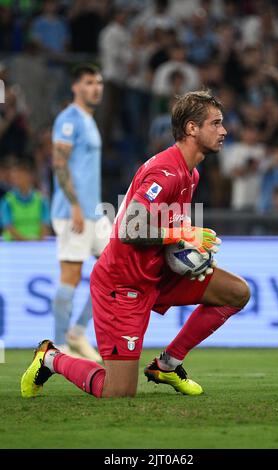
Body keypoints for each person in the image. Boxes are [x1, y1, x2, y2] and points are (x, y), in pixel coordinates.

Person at [21, 90, 250, 399]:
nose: (223, 131)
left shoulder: (190, 174)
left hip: (157, 273)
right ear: (192, 128)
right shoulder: (165, 172)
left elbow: (165, 224)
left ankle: (168, 364)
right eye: (216, 123)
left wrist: (191, 247)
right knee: (117, 392)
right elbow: (130, 227)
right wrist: (181, 236)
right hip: (123, 284)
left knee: (236, 292)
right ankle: (50, 357)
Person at [50, 64, 111, 362]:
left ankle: (78, 331)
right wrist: (74, 205)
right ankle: (59, 346)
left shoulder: (89, 119)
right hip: (72, 212)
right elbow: (59, 164)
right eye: (89, 82)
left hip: (95, 213)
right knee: (70, 277)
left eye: (98, 82)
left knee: (117, 268)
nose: (96, 88)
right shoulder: (69, 119)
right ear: (76, 86)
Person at [1, 159, 50, 241]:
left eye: (20, 175)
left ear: (29, 176)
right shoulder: (7, 201)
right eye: (14, 176)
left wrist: (37, 242)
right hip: (12, 246)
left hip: (36, 246)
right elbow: (8, 226)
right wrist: (26, 241)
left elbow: (45, 226)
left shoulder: (41, 200)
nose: (16, 178)